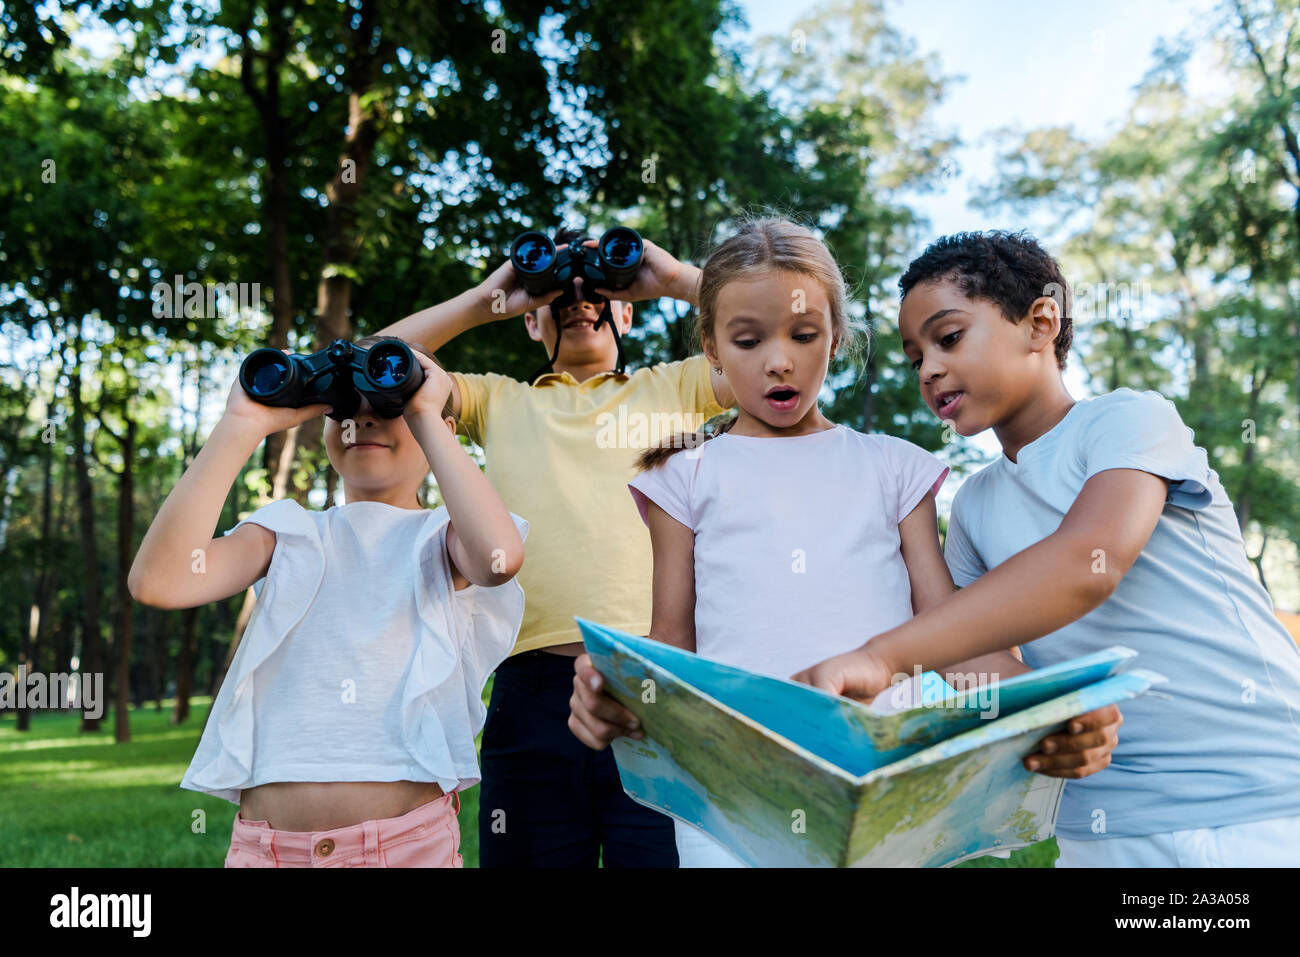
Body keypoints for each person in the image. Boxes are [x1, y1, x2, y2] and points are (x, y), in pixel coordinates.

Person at [567, 218, 1123, 867]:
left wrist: (1061, 704)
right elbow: (672, 643)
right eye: (747, 339)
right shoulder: (683, 474)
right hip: (734, 802)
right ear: (712, 351)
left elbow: (955, 641)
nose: (780, 359)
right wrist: (618, 685)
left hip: (884, 792)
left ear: (836, 339)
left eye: (804, 335)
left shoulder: (894, 466)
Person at [793, 230, 1300, 867]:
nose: (928, 369)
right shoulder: (974, 504)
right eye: (914, 356)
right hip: (1104, 823)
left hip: (1258, 804)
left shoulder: (1128, 420)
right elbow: (966, 658)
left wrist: (881, 655)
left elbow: (1088, 563)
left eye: (948, 338)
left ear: (1040, 322)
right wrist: (1057, 708)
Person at [378, 228, 736, 866]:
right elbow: (376, 363)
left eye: (597, 289)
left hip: (655, 673)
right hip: (528, 686)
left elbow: (774, 346)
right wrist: (488, 298)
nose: (578, 300)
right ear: (527, 319)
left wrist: (679, 278)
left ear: (628, 308)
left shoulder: (677, 387)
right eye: (556, 292)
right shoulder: (496, 399)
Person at [129, 336, 527, 867]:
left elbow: (498, 558)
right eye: (345, 407)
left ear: (440, 432)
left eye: (388, 407)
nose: (362, 420)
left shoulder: (440, 538)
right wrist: (240, 425)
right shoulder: (287, 531)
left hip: (404, 848)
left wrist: (426, 411)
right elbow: (161, 580)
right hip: (267, 850)